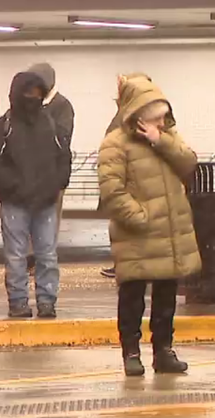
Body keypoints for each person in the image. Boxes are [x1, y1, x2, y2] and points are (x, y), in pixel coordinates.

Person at [99, 75, 199, 377]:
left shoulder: (167, 136)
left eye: (162, 112)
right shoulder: (115, 144)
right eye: (154, 113)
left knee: (166, 295)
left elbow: (189, 164)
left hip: (168, 233)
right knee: (132, 295)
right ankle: (131, 351)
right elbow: (112, 190)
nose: (161, 118)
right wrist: (140, 217)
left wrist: (161, 140)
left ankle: (163, 350)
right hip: (137, 233)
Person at [0, 71, 72, 319]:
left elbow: (64, 158)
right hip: (17, 201)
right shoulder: (5, 125)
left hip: (41, 200)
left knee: (43, 254)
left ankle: (44, 302)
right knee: (20, 255)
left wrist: (54, 185)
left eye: (37, 93)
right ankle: (21, 302)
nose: (32, 98)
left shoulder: (50, 124)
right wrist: (15, 186)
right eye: (28, 93)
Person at [98, 73, 151, 280]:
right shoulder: (145, 116)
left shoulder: (129, 117)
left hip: (132, 182)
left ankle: (128, 264)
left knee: (129, 227)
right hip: (132, 181)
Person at [26, 63, 75, 273]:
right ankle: (31, 256)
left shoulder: (62, 106)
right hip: (31, 173)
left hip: (53, 173)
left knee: (50, 218)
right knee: (31, 216)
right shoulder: (32, 104)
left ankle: (45, 261)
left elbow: (62, 139)